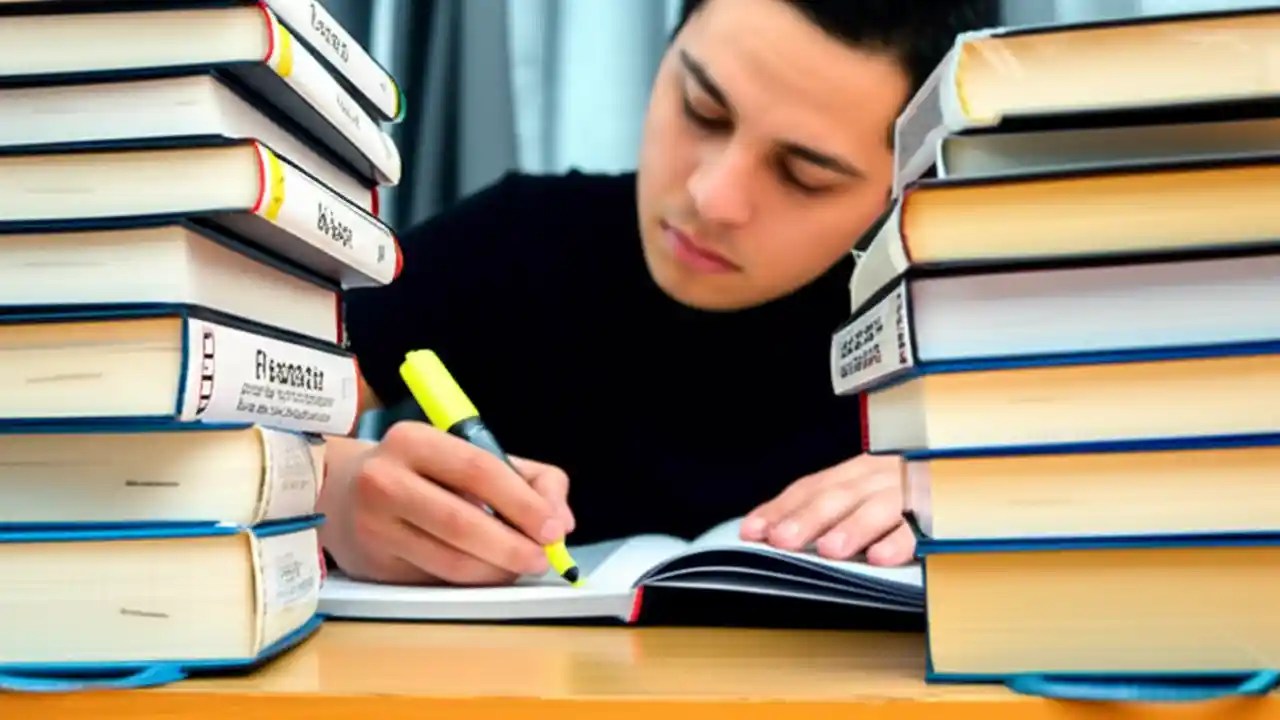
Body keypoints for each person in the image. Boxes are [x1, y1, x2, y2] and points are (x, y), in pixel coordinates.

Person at [318, 0, 996, 586]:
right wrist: (328, 490)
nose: (713, 197)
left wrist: (991, 489)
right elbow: (231, 401)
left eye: (803, 175)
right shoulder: (514, 242)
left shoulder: (975, 325)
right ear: (668, 51)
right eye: (703, 110)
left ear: (905, 185)